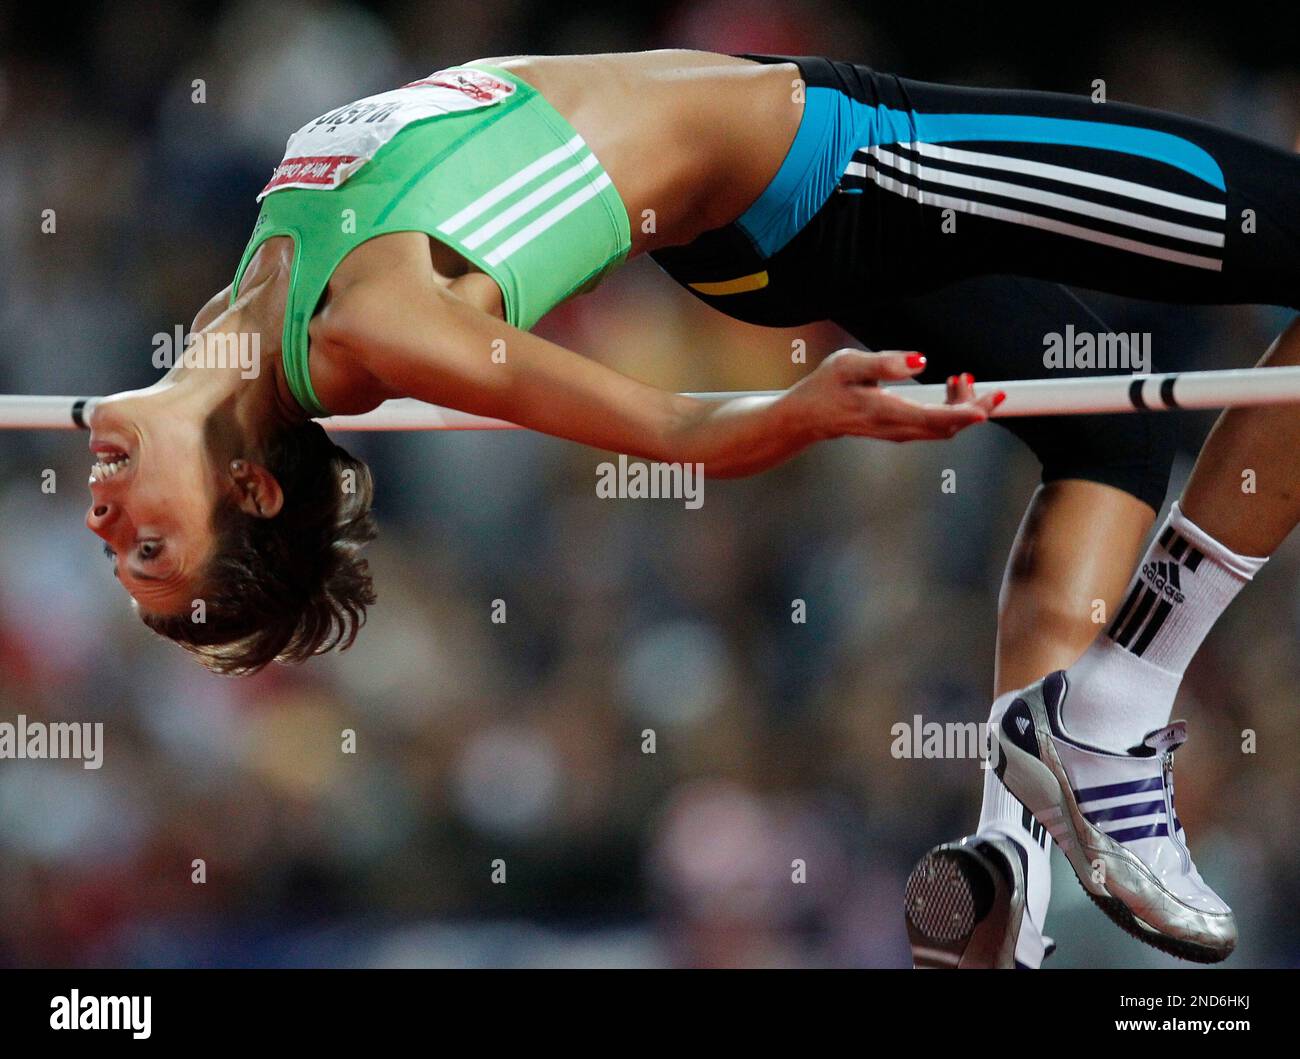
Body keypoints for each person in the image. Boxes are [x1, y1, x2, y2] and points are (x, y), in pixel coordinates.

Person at [80, 51, 1300, 966]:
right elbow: (669, 430)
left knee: (1113, 433)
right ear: (250, 486)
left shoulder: (236, 313)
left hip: (760, 219)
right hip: (852, 161)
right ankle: (1116, 707)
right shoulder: (361, 329)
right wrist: (801, 411)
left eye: (123, 550)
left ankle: (1009, 865)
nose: (100, 518)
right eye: (151, 545)